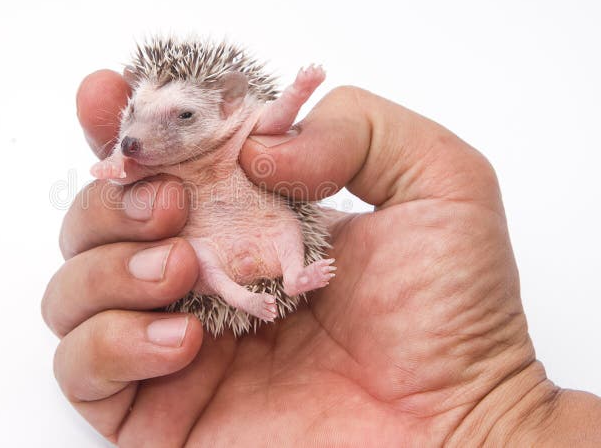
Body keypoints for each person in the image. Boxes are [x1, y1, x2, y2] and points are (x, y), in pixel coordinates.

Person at [42, 70, 601, 446]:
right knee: (198, 263)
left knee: (285, 227)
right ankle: (240, 295)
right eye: (135, 118)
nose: (139, 138)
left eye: (181, 118)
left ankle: (293, 273)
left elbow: (277, 117)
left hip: (262, 226)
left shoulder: (241, 125)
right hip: (210, 247)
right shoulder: (145, 146)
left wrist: (492, 413)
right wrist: (115, 168)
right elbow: (127, 154)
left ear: (226, 105)